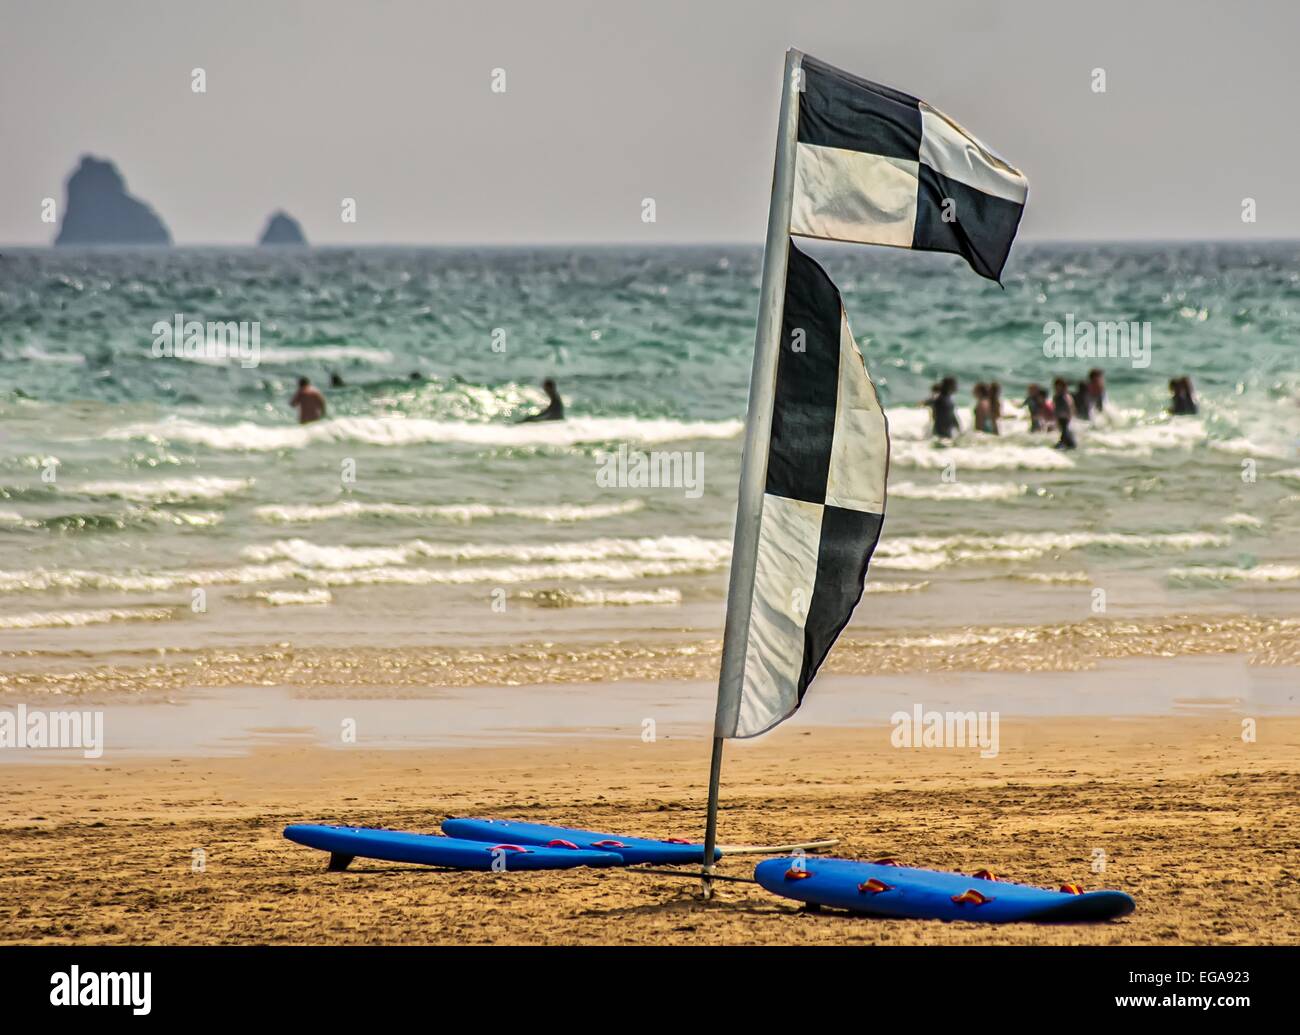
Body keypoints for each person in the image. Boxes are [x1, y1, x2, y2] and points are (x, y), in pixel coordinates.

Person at [1052, 377, 1076, 450]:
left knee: (1065, 432)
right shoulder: (1057, 396)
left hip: (1065, 418)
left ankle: (1068, 444)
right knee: (1064, 432)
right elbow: (1055, 408)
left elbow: (1070, 407)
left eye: (1058, 386)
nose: (1056, 388)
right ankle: (1068, 444)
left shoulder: (1065, 396)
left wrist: (1070, 416)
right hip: (1061, 417)